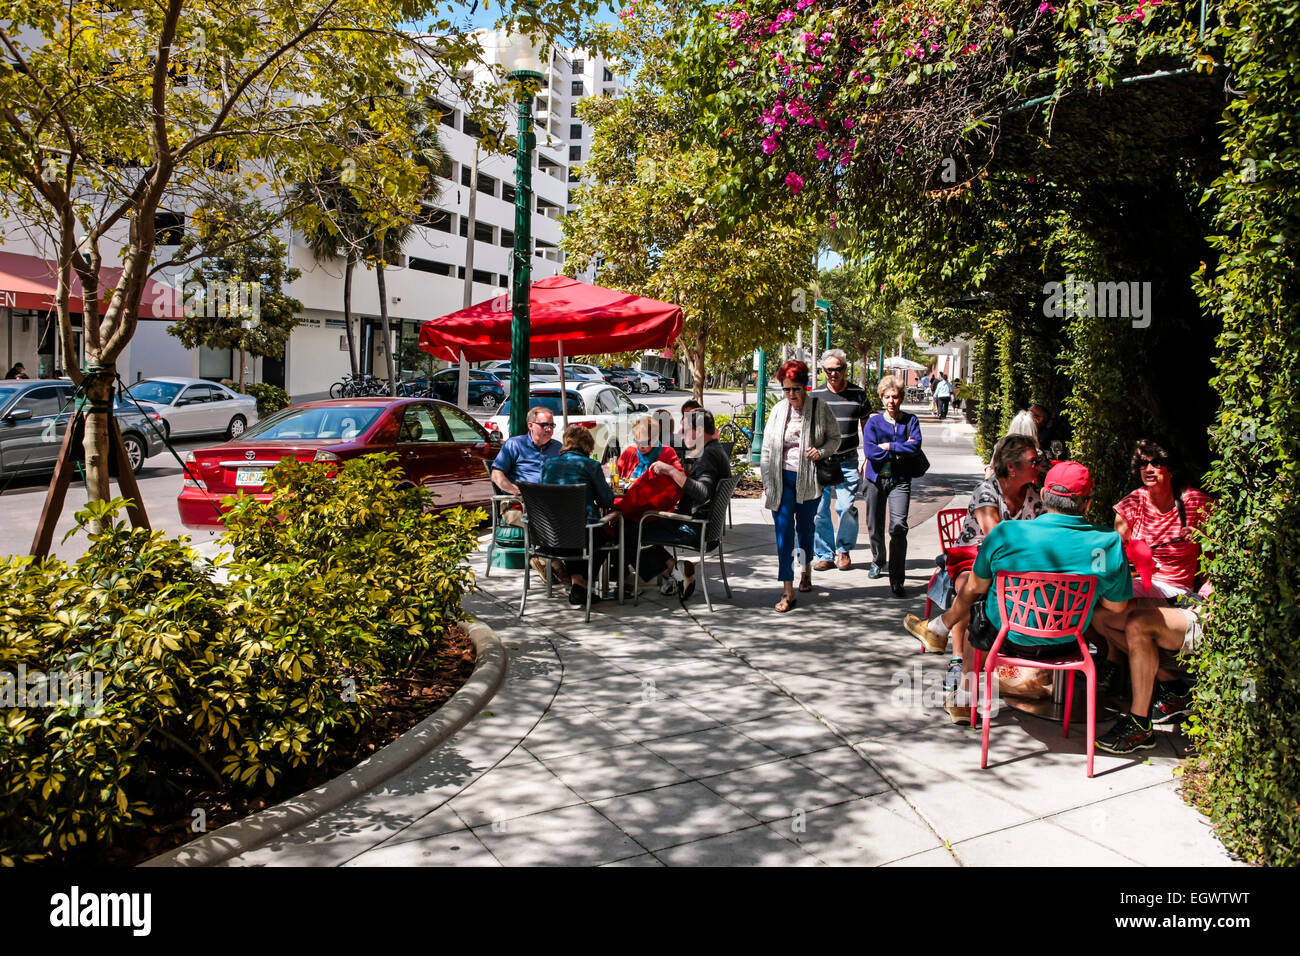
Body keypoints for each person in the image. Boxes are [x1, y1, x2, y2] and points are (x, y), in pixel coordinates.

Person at [904, 462, 1133, 722]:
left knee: (976, 620)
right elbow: (1117, 608)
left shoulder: (1006, 534)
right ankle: (940, 629)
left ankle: (964, 700)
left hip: (1007, 639)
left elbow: (975, 587)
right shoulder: (1108, 543)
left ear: (1044, 496)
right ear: (1088, 504)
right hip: (1068, 643)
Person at [906, 434, 1046, 714]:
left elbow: (1042, 538)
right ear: (1012, 467)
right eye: (1034, 461)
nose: (1040, 465)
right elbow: (995, 536)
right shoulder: (986, 490)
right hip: (972, 557)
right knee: (975, 595)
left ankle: (938, 630)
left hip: (1011, 567)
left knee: (983, 598)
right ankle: (958, 662)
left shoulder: (1033, 495)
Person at [1091, 440, 1214, 754]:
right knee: (1099, 617)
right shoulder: (1134, 502)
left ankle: (1140, 719)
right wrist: (1126, 548)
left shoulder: (1195, 503)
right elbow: (1116, 543)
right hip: (1144, 584)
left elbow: (1221, 557)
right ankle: (1170, 682)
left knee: (1136, 618)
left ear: (1170, 468)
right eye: (1143, 464)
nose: (1148, 469)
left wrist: (1207, 591)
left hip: (1179, 592)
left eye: (1156, 463)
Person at [760, 360, 840, 612]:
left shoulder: (819, 408)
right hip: (780, 480)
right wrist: (766, 480)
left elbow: (835, 438)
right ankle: (787, 588)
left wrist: (821, 451)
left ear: (805, 386)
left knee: (805, 530)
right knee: (783, 533)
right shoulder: (777, 411)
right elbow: (766, 449)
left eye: (796, 388)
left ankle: (805, 569)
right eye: (786, 389)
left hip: (808, 481)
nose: (792, 394)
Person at [631, 409, 731, 600]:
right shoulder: (716, 451)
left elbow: (702, 493)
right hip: (706, 529)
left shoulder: (709, 456)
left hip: (693, 529)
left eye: (685, 430)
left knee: (629, 530)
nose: (682, 435)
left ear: (699, 431)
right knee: (637, 525)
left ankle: (672, 571)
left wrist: (670, 470)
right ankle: (673, 571)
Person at [538, 425, 616, 607]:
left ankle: (578, 584)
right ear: (588, 445)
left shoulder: (548, 465)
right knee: (605, 538)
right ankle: (582, 584)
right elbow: (607, 501)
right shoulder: (591, 465)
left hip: (550, 538)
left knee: (574, 534)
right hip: (582, 536)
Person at [861, 375, 924, 597]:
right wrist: (900, 447)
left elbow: (915, 447)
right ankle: (878, 560)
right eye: (887, 397)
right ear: (881, 398)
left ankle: (897, 579)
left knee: (898, 527)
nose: (891, 401)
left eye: (895, 397)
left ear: (901, 398)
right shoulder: (873, 422)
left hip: (900, 480)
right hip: (875, 479)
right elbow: (870, 452)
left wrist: (887, 445)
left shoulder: (911, 421)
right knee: (874, 525)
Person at [810, 349, 872, 571]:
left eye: (838, 369)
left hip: (848, 460)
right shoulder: (815, 396)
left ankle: (843, 549)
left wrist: (869, 457)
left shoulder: (858, 394)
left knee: (846, 507)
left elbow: (867, 428)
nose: (833, 374)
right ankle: (825, 553)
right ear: (823, 371)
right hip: (822, 462)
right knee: (819, 509)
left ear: (845, 368)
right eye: (829, 370)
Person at [491, 405, 563, 526]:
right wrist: (516, 491)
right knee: (543, 520)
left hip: (551, 502)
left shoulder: (558, 447)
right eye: (544, 425)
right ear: (530, 426)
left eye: (552, 425)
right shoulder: (514, 444)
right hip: (519, 504)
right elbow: (496, 474)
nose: (549, 429)